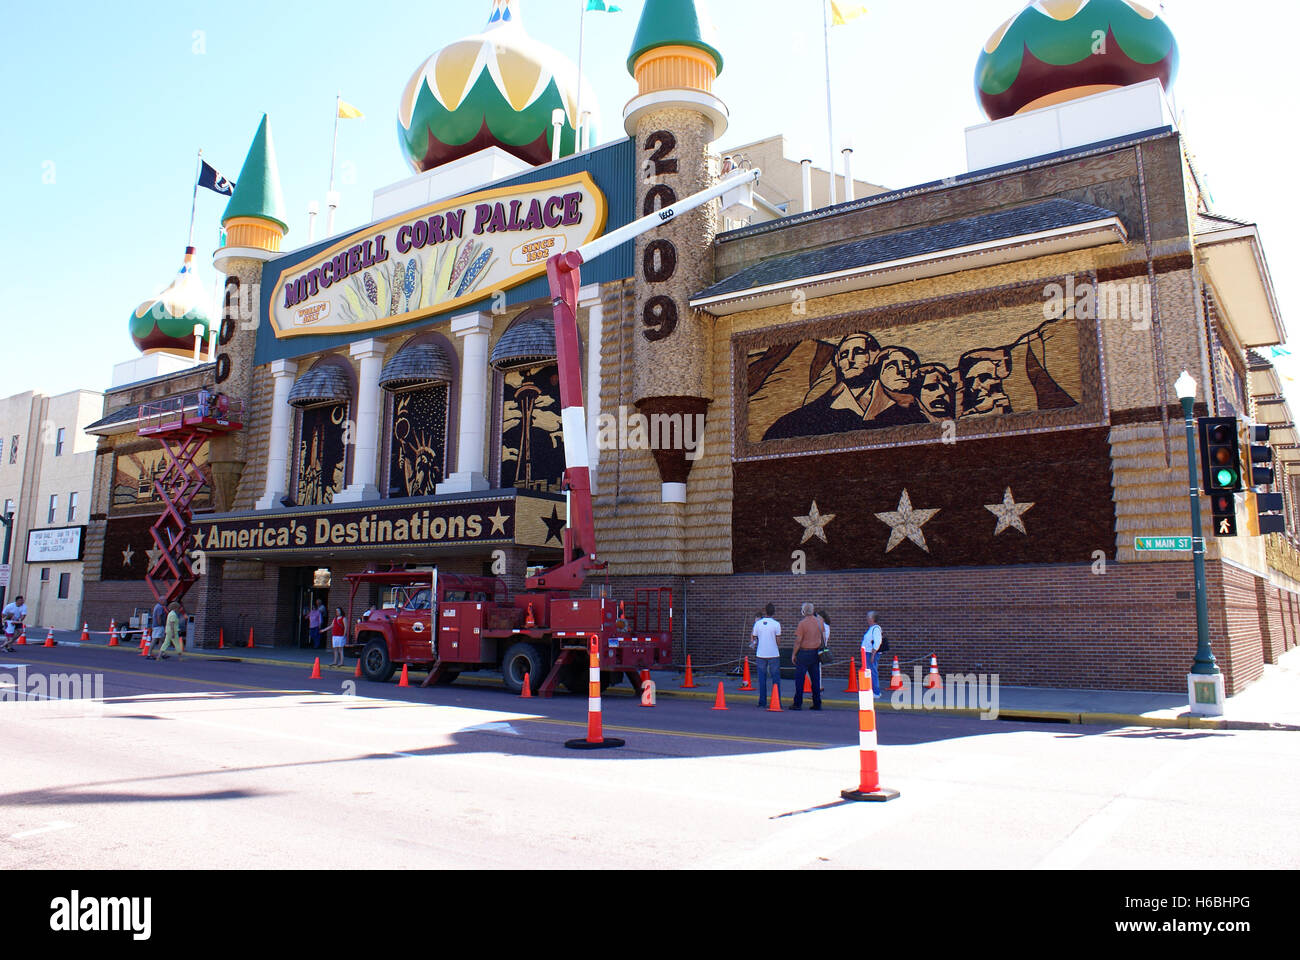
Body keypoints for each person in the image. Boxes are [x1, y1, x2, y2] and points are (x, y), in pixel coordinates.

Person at [790, 602, 823, 711]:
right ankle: (817, 703)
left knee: (800, 679)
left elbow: (798, 641)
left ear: (804, 611)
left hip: (804, 652)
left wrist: (794, 654)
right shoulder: (819, 622)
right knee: (815, 680)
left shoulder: (802, 623)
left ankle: (798, 703)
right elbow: (823, 637)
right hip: (815, 653)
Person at [750, 603, 781, 709]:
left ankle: (762, 701)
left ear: (765, 611)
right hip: (773, 654)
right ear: (774, 612)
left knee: (762, 679)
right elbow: (778, 641)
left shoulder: (758, 624)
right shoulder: (776, 624)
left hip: (761, 654)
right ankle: (777, 701)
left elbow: (753, 637)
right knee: (775, 679)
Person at [861, 611, 883, 696]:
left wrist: (873, 655)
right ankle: (873, 690)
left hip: (871, 653)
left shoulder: (876, 629)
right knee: (870, 672)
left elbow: (877, 642)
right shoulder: (872, 628)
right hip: (868, 653)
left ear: (872, 619)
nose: (867, 619)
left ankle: (876, 691)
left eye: (868, 617)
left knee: (872, 672)